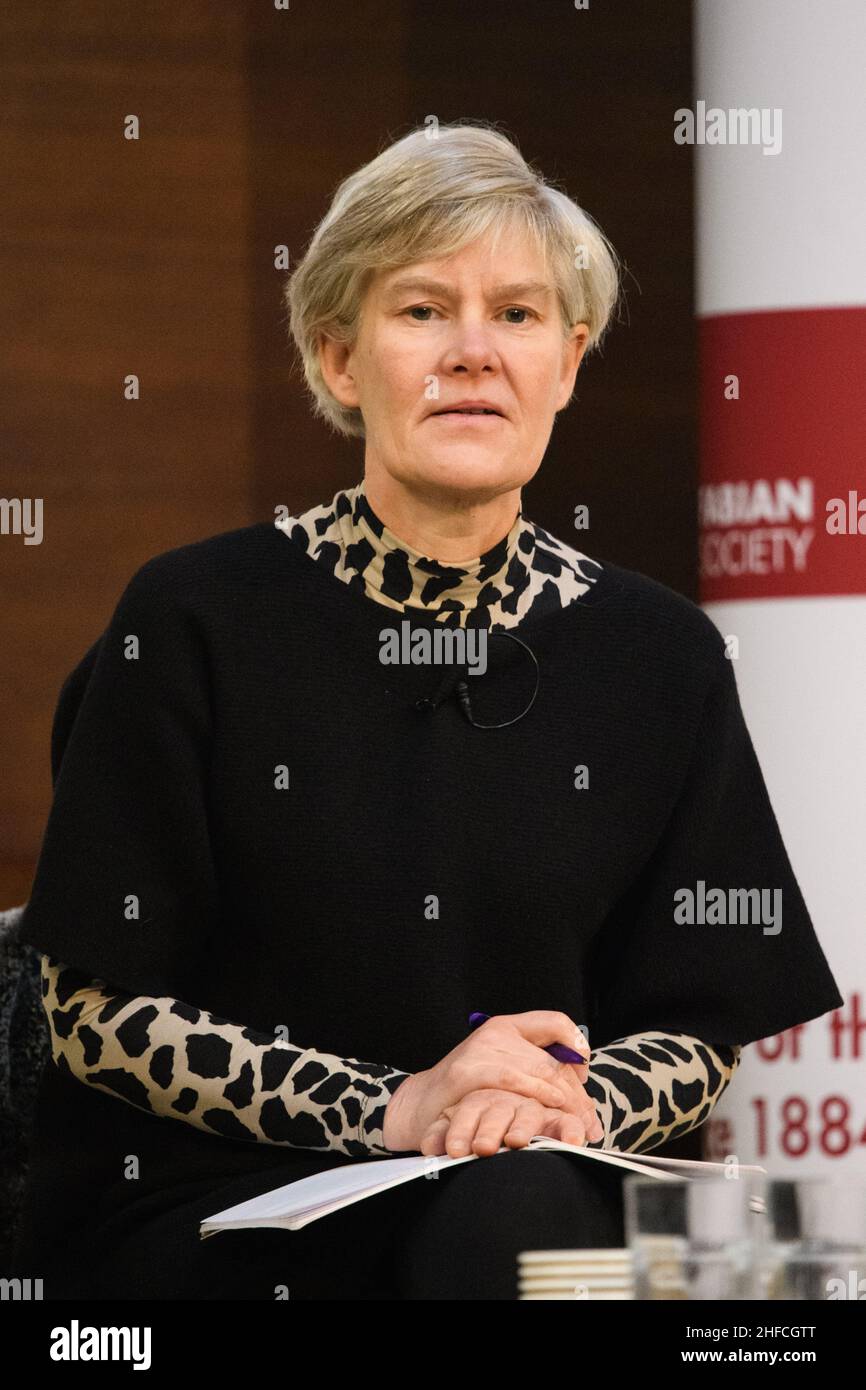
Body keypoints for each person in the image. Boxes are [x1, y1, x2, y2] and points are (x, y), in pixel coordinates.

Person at [11, 122, 842, 1300]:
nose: (471, 352)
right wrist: (398, 1105)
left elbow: (700, 1028)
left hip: (541, 1171)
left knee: (697, 1259)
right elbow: (92, 1009)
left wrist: (552, 1101)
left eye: (515, 314)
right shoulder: (195, 617)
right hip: (231, 1196)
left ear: (568, 356)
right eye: (419, 311)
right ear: (339, 359)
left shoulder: (658, 654)